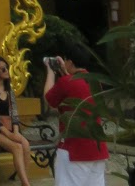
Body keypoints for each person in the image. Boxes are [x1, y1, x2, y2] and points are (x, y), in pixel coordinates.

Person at [44, 47, 109, 185]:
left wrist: (50, 71)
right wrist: (64, 71)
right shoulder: (95, 81)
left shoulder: (66, 82)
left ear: (70, 62)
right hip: (97, 148)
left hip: (74, 148)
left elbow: (49, 100)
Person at [0, 54, 34, 186]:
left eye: (7, 68)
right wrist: (9, 134)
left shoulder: (9, 89)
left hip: (10, 127)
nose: (6, 71)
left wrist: (15, 131)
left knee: (25, 144)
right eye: (3, 69)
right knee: (16, 147)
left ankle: (23, 182)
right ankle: (27, 184)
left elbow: (14, 111)